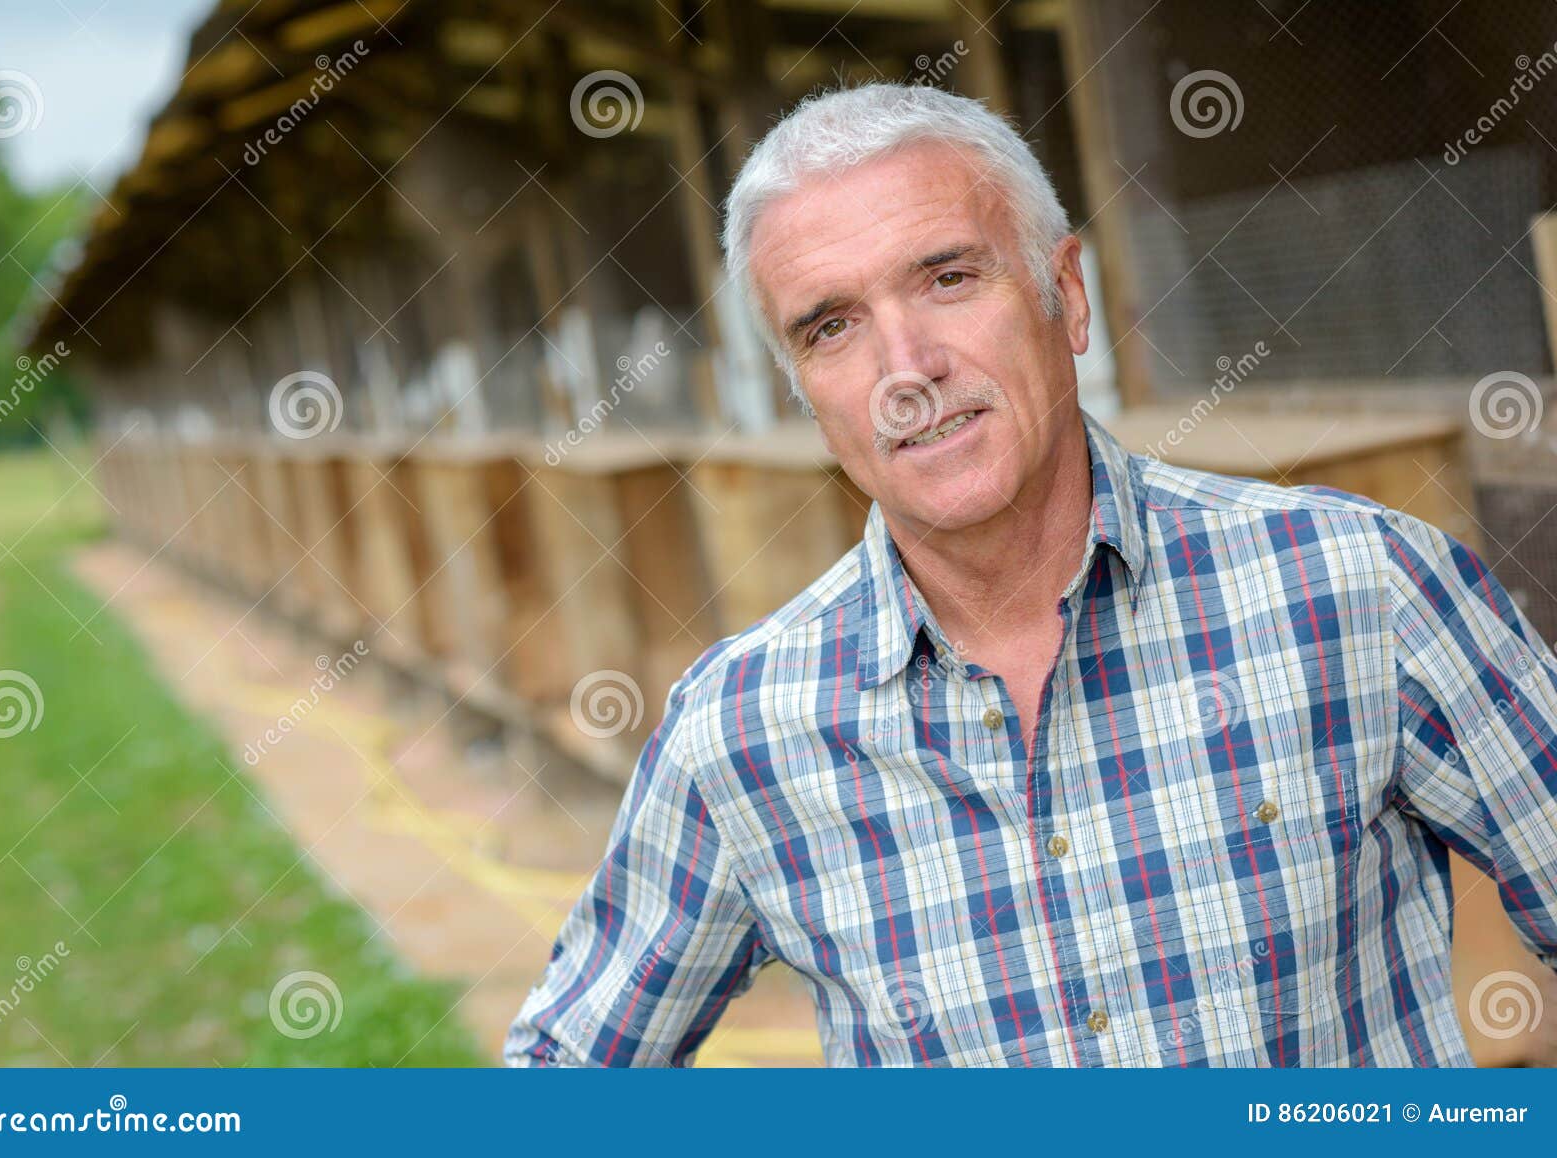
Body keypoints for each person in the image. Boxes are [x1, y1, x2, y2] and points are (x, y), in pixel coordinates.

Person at [504, 82, 1557, 1066]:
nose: (905, 368)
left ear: (1066, 295)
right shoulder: (741, 733)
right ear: (802, 396)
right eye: (832, 327)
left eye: (948, 278)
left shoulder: (1357, 588)